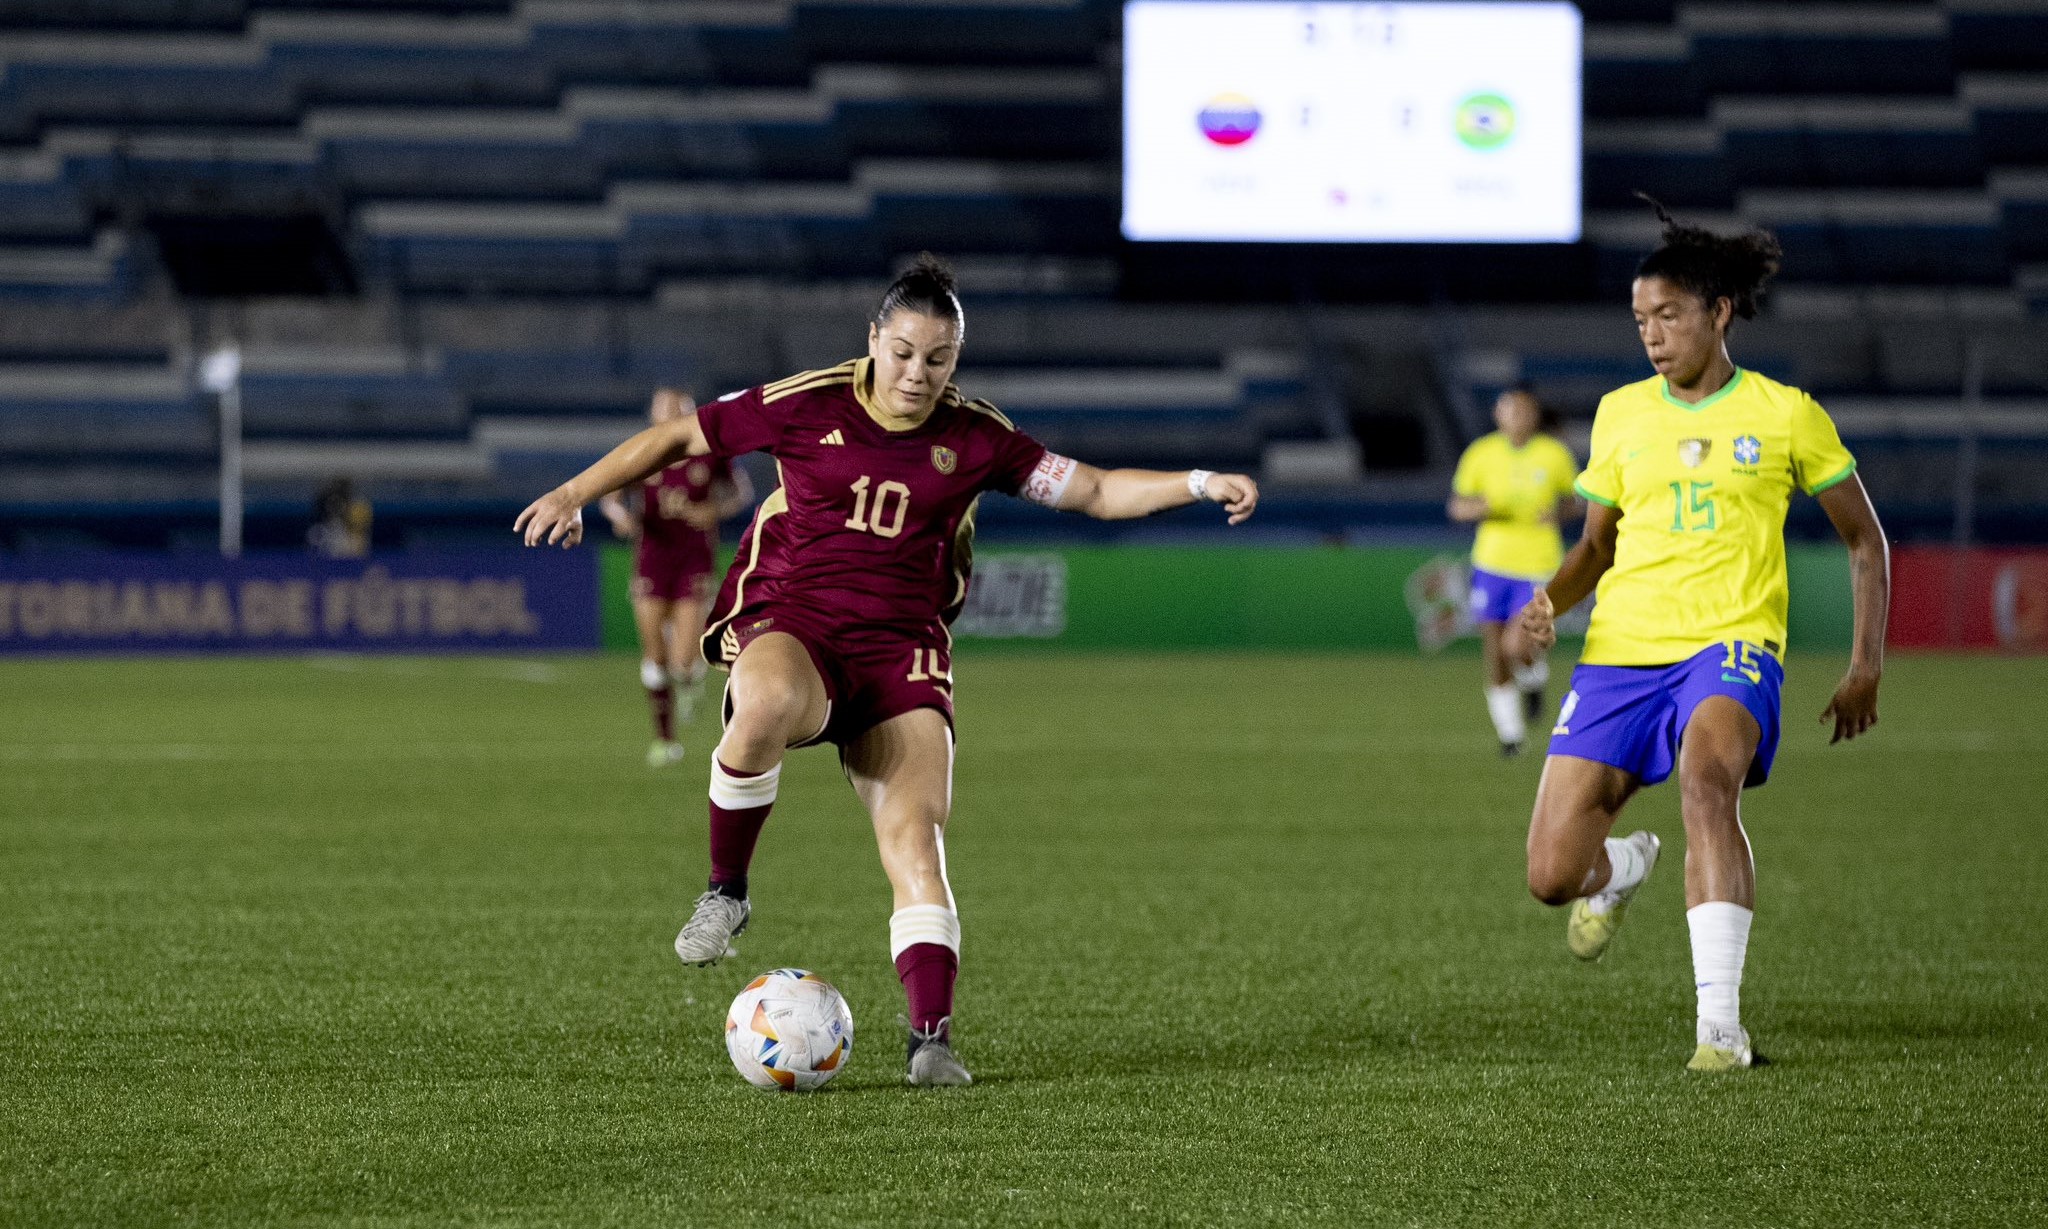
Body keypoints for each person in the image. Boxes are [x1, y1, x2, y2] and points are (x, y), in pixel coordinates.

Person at [515, 254, 1259, 1087]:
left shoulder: (977, 436)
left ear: (956, 359)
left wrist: (1197, 480)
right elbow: (680, 437)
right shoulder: (809, 401)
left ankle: (930, 1039)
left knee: (916, 840)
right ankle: (727, 890)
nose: (918, 373)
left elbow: (1090, 490)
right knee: (760, 700)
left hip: (901, 651)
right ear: (874, 338)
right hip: (796, 620)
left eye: (939, 359)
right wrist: (575, 491)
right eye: (903, 352)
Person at [1517, 198, 1888, 1072]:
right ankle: (1623, 866)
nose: (1651, 334)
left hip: (1732, 644)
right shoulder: (1620, 415)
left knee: (1706, 783)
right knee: (1549, 875)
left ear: (1720, 311)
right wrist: (1550, 599)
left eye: (1669, 315)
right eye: (1641, 318)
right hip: (1621, 654)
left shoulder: (1786, 414)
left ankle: (1719, 1027)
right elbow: (1595, 548)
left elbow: (1864, 537)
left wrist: (1865, 661)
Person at [598, 389, 755, 767]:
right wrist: (620, 517)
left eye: (677, 408)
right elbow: (609, 496)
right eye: (662, 408)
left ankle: (690, 680)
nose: (669, 414)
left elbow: (742, 494)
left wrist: (713, 510)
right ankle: (665, 739)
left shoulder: (708, 451)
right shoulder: (640, 451)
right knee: (655, 655)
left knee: (683, 659)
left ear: (688, 412)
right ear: (652, 414)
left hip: (694, 559)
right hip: (652, 559)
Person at [1447, 386, 1580, 755]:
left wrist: (1557, 514)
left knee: (1516, 643)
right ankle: (1511, 735)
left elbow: (1576, 502)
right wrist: (1480, 509)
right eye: (1511, 410)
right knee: (1494, 650)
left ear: (1535, 416)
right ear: (1498, 415)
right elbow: (1457, 506)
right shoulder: (1481, 453)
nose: (1518, 417)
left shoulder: (1553, 455)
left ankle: (1534, 675)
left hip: (1538, 564)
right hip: (1491, 564)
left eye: (1525, 411)